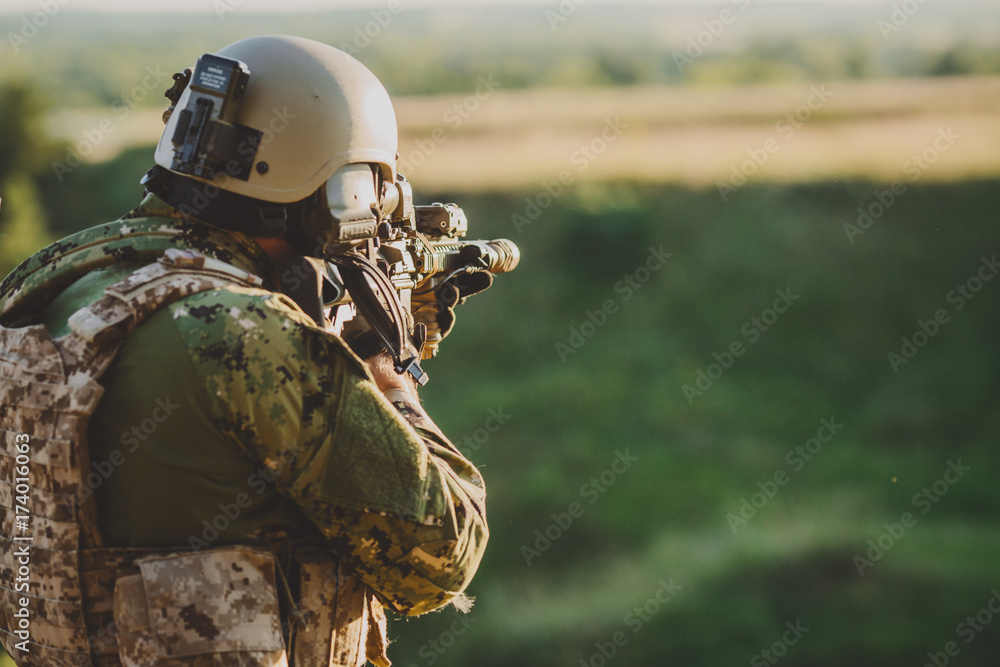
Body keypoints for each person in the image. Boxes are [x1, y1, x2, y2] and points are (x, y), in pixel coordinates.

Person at [0, 35, 488, 667]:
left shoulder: (55, 285)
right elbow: (442, 556)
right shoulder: (246, 335)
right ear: (328, 188)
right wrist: (389, 379)